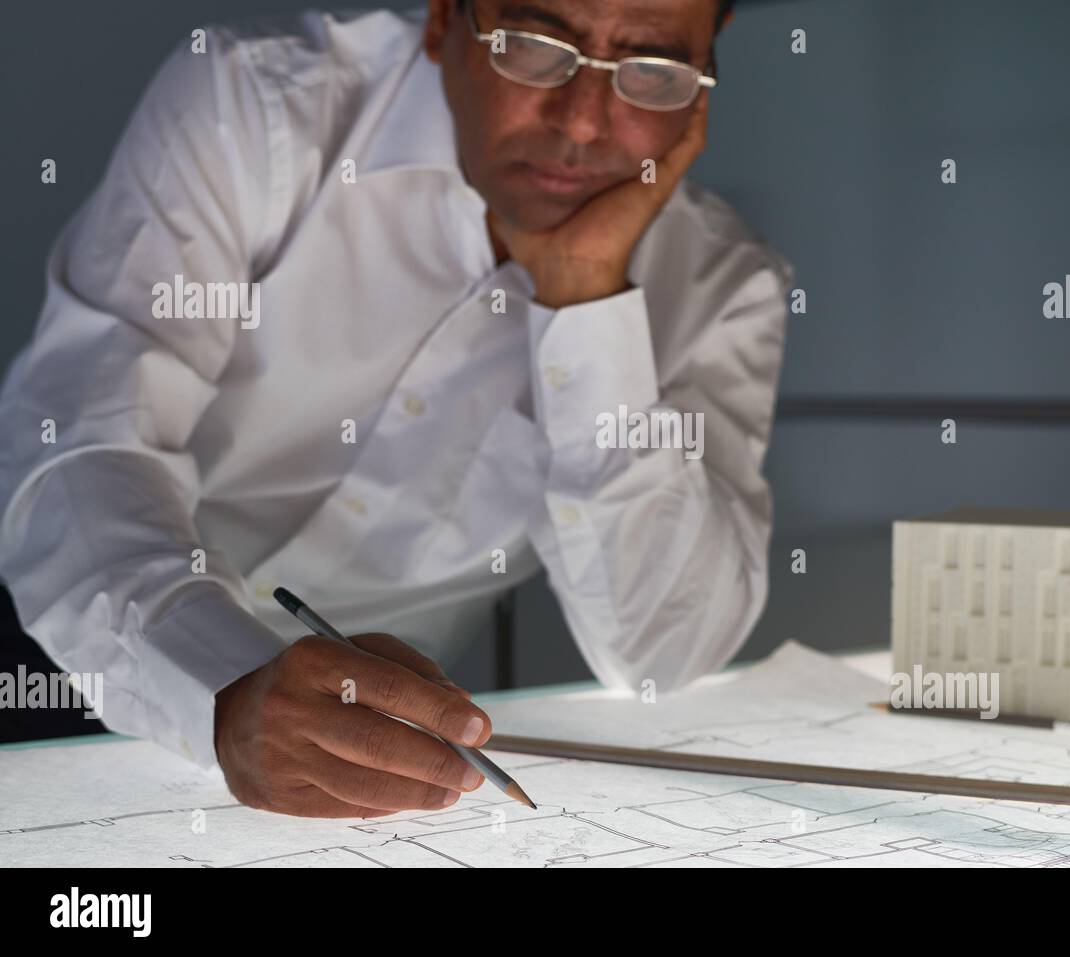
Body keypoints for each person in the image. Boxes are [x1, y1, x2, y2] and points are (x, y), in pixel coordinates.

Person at [0, 0, 793, 817]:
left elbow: (663, 650)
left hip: (371, 757)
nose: (584, 122)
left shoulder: (724, 287)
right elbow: (83, 446)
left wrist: (588, 304)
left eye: (652, 68)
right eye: (534, 44)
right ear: (445, 18)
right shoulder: (256, 101)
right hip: (61, 643)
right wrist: (227, 683)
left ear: (706, 66)